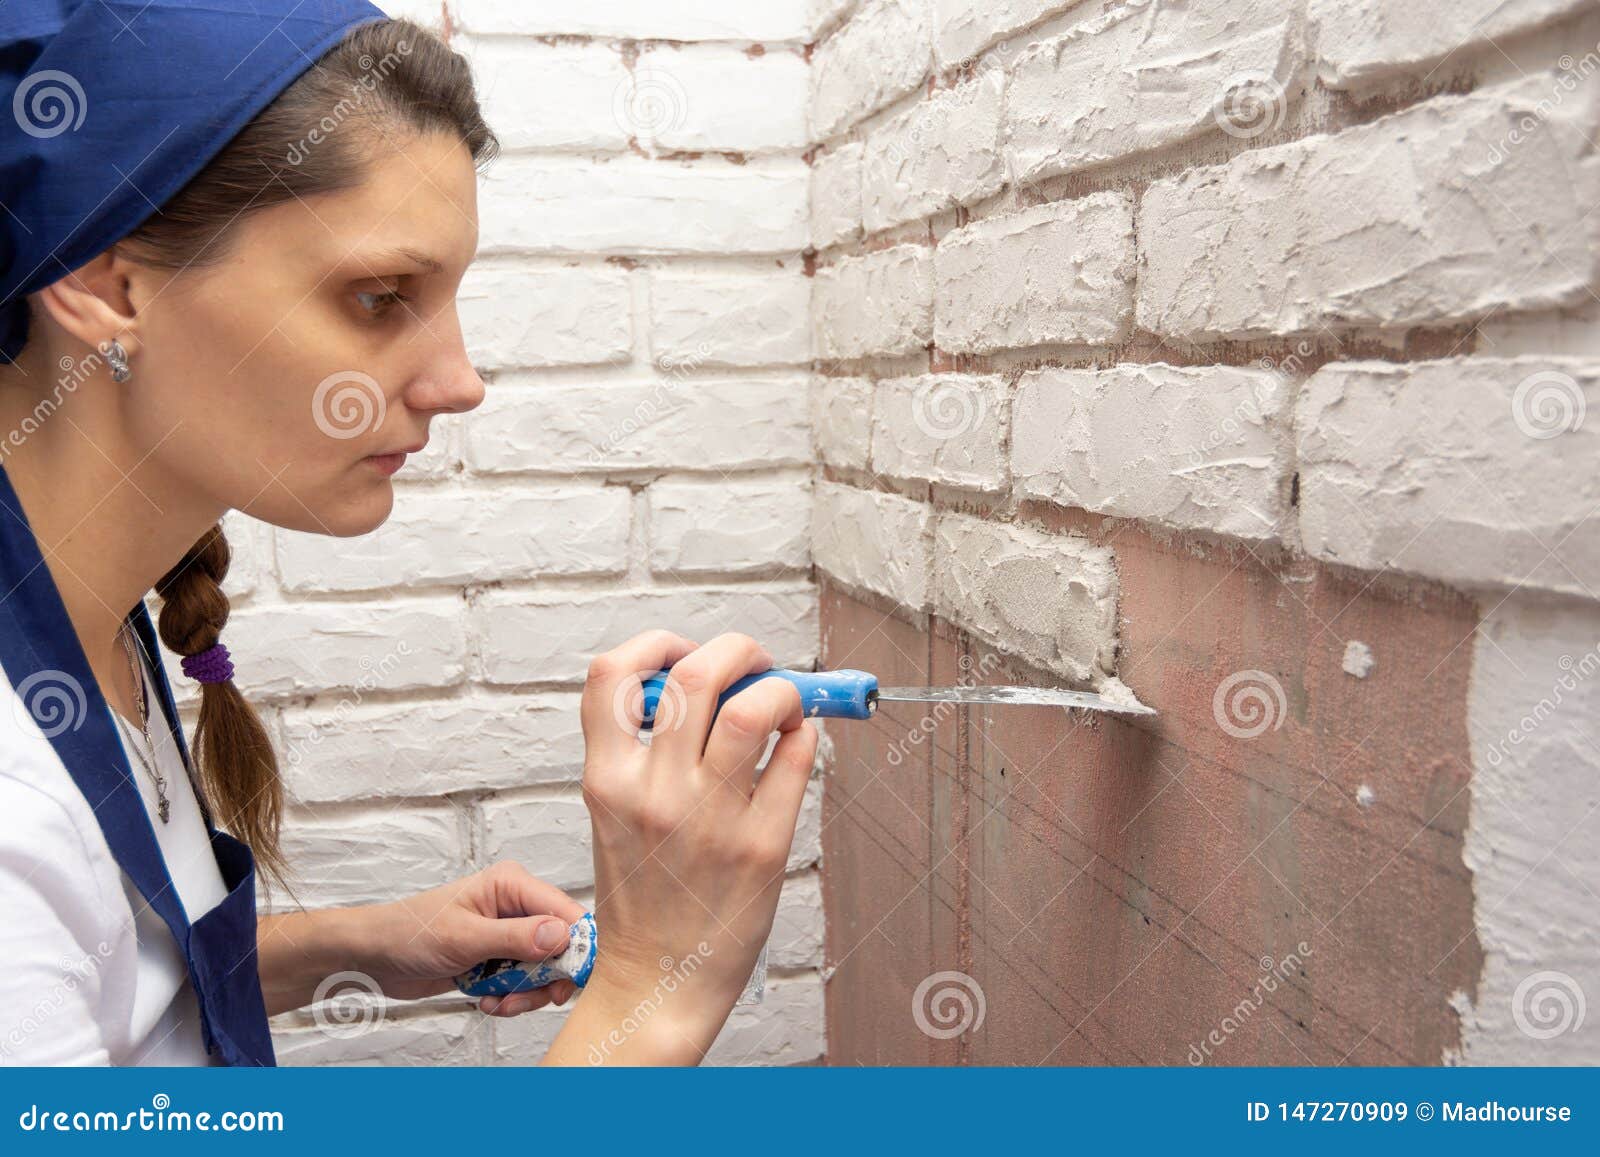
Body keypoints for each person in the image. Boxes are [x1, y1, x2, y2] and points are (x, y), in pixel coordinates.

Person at [0, 0, 816, 1066]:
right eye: (380, 297)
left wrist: (360, 946)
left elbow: (104, 972)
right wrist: (658, 980)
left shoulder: (90, 624)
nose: (461, 381)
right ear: (107, 284)